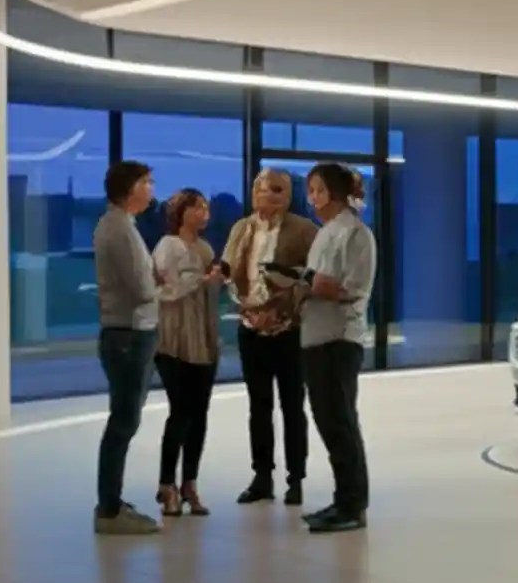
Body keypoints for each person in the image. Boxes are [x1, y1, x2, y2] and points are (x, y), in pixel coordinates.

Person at [221, 169, 318, 505]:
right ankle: (262, 477)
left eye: (280, 191)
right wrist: (245, 307)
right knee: (258, 408)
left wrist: (282, 309)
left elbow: (311, 280)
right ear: (254, 193)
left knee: (293, 407)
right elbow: (229, 271)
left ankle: (296, 480)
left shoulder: (305, 230)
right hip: (250, 330)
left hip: (288, 332)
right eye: (267, 190)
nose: (273, 196)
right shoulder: (240, 229)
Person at [298, 163, 377, 533]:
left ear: (337, 192)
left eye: (319, 189)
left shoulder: (356, 234)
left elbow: (352, 290)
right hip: (315, 336)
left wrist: (311, 283)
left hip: (338, 339)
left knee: (340, 422)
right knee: (328, 422)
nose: (313, 197)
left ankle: (352, 504)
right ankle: (342, 498)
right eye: (310, 190)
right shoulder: (324, 233)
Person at [93, 160, 161, 535]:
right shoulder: (119, 229)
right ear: (130, 188)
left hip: (126, 331)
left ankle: (111, 502)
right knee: (123, 421)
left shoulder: (120, 226)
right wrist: (158, 284)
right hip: (129, 333)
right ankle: (109, 508)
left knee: (123, 419)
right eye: (146, 182)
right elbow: (141, 289)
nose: (151, 188)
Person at [152, 189, 222, 517]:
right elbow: (164, 290)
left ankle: (189, 482)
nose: (204, 213)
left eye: (206, 207)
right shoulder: (168, 247)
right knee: (180, 411)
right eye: (197, 207)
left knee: (200, 414)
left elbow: (210, 293)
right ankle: (166, 484)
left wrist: (216, 282)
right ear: (181, 212)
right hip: (174, 339)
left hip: (203, 339)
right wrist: (200, 281)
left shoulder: (206, 249)